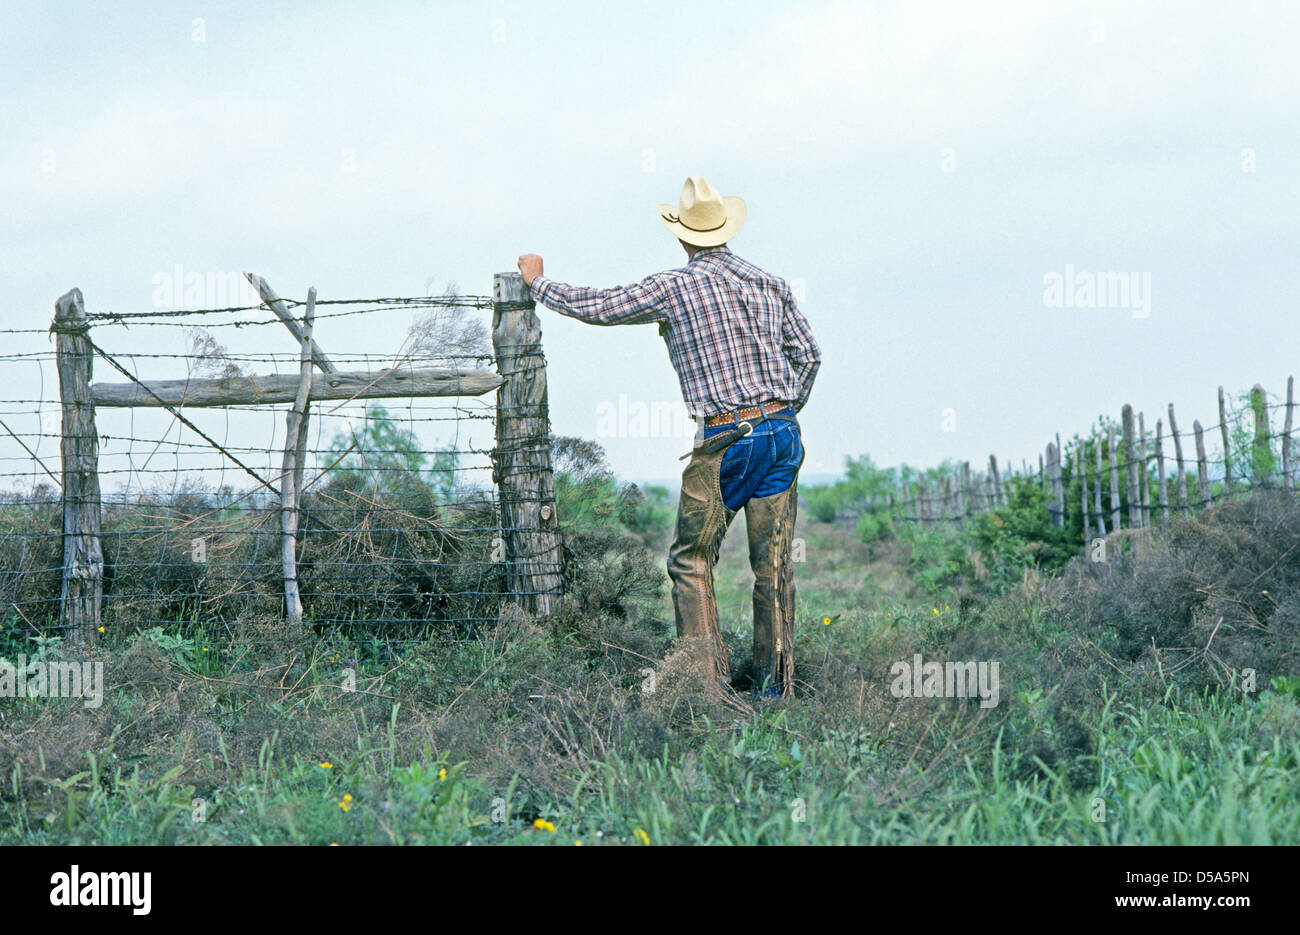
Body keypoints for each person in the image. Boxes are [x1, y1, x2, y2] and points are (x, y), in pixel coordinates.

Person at [517, 175, 821, 698]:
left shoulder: (675, 287)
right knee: (774, 564)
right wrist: (783, 407)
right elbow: (810, 355)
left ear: (683, 235)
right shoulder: (771, 283)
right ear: (724, 229)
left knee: (691, 560)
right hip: (783, 430)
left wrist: (538, 283)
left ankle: (704, 686)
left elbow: (602, 306)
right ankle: (776, 689)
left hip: (729, 436)